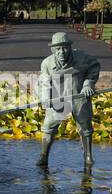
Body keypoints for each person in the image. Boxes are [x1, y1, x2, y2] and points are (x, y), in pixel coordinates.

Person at [37, 31, 100, 171]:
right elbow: (43, 82)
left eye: (65, 48)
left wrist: (88, 84)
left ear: (70, 47)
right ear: (52, 49)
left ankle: (88, 156)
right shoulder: (47, 64)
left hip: (79, 95)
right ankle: (43, 156)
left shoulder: (82, 58)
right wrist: (46, 96)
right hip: (58, 97)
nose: (62, 52)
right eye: (58, 48)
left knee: (85, 126)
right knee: (49, 126)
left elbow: (94, 66)